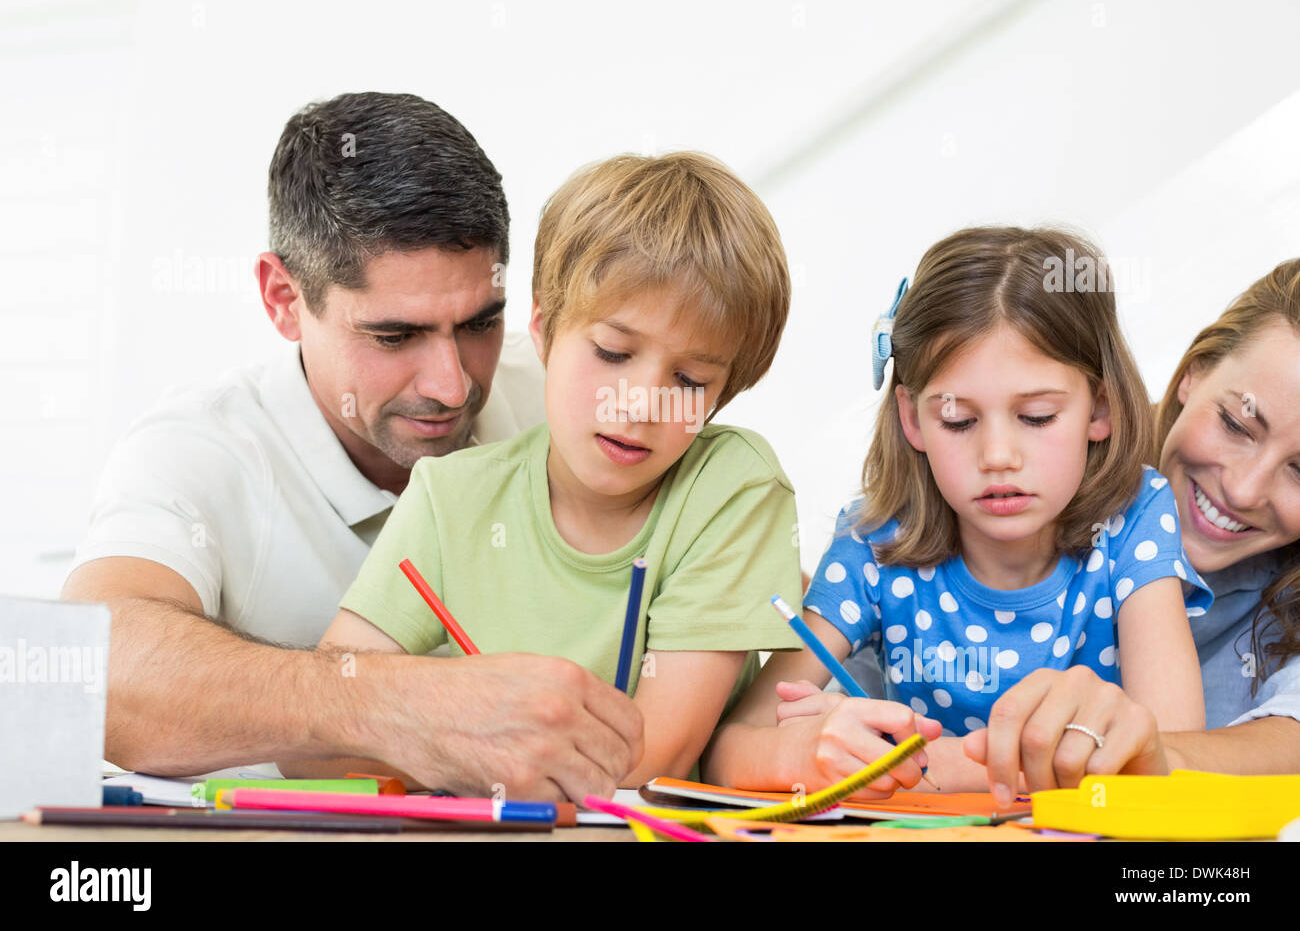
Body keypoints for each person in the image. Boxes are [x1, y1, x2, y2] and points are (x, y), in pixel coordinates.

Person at [61, 92, 643, 801]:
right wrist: (398, 705)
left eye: (480, 324)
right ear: (283, 298)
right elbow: (93, 666)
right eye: (394, 337)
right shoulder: (198, 448)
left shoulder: (567, 394)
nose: (454, 386)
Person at [302, 152, 805, 787]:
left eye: (689, 378)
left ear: (722, 396)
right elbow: (317, 738)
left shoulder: (732, 488)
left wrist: (449, 741)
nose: (640, 404)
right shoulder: (449, 498)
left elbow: (654, 763)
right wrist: (456, 718)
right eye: (613, 352)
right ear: (542, 329)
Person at [702, 226, 1209, 797]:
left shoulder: (1135, 517)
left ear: (1101, 408)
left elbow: (1171, 752)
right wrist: (800, 752)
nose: (997, 456)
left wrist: (922, 766)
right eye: (959, 421)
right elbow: (728, 750)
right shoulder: (875, 539)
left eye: (1038, 416)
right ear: (912, 419)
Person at [969, 258, 1300, 795]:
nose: (1243, 489)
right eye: (1236, 425)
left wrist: (1144, 751)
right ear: (1193, 372)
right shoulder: (1025, 484)